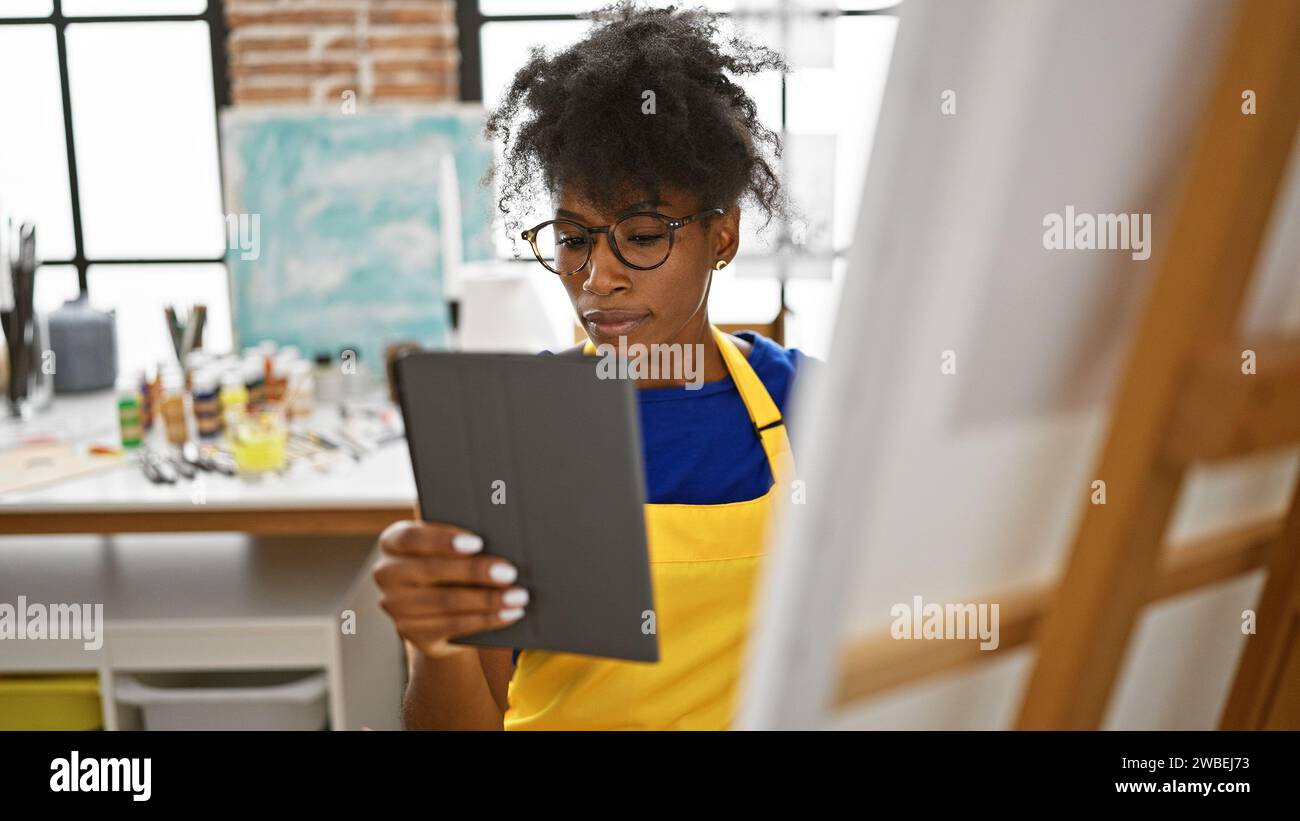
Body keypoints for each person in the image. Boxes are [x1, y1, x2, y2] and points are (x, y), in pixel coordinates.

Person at [373, 1, 810, 730]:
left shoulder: (812, 406)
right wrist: (434, 644)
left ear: (723, 232)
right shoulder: (510, 434)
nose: (596, 277)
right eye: (574, 239)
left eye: (641, 235)